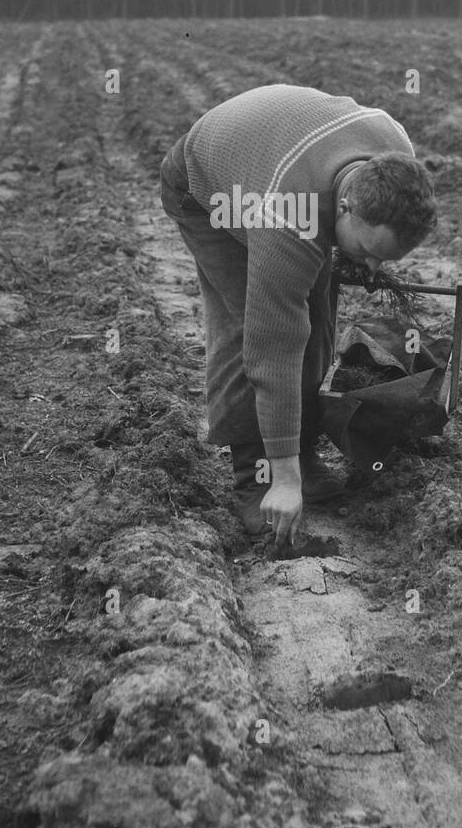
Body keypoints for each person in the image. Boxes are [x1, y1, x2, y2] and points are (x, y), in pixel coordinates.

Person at [159, 83, 437, 546]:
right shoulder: (289, 215)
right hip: (206, 188)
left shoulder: (395, 151)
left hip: (275, 158)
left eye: (384, 261)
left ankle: (302, 450)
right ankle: (258, 477)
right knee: (253, 324)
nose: (371, 268)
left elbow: (347, 257)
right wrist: (283, 478)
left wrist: (360, 251)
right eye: (368, 253)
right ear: (344, 207)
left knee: (317, 311)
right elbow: (273, 349)